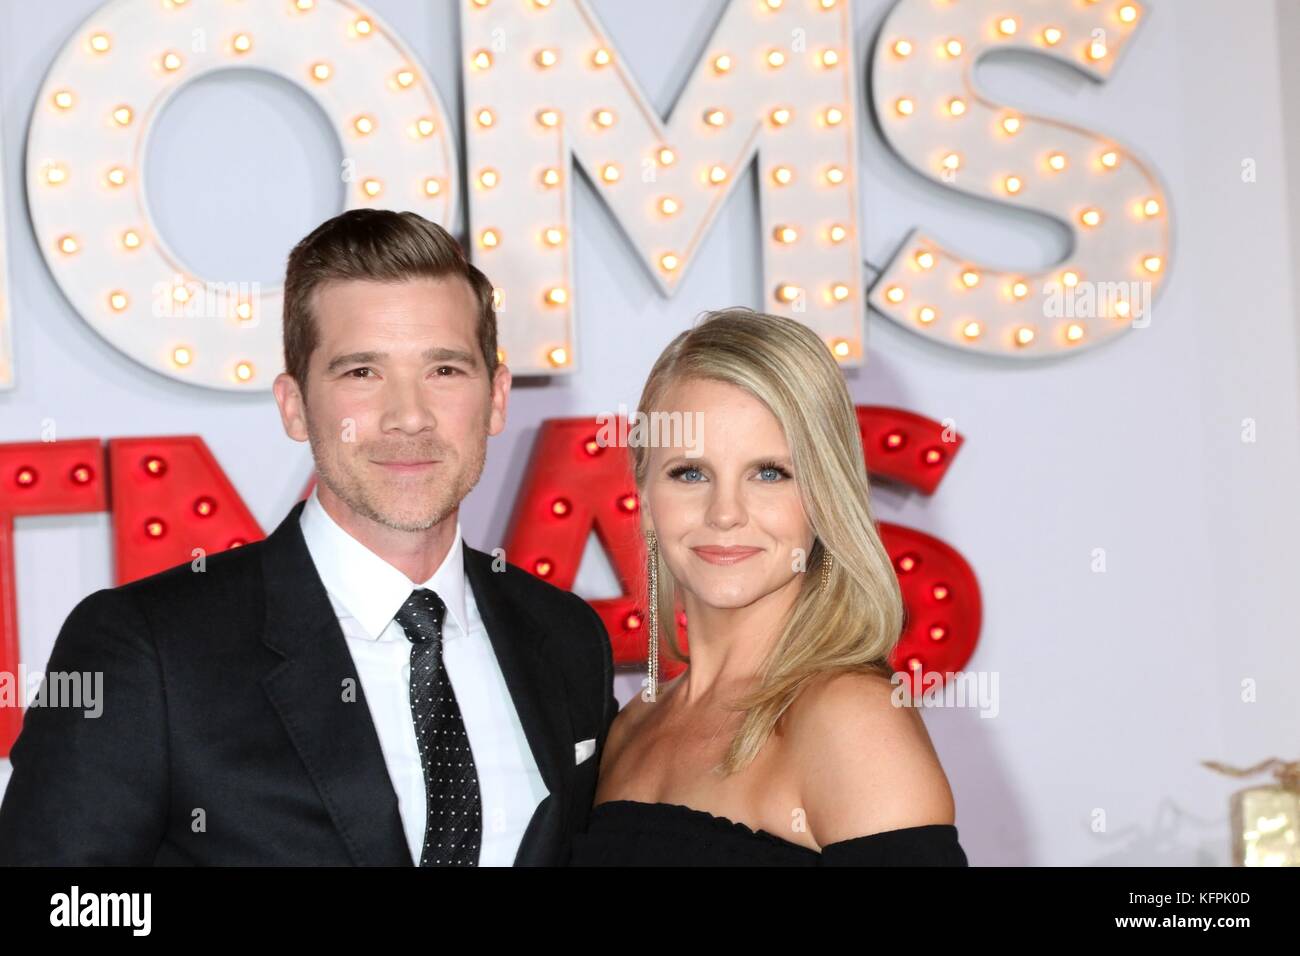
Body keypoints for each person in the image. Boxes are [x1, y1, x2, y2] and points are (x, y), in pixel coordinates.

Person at [0, 209, 616, 866]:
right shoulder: (147, 649)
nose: (408, 416)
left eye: (444, 370)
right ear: (294, 405)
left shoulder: (566, 638)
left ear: (496, 397)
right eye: (361, 373)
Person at [569, 308, 968, 866]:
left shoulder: (851, 720)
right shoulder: (633, 725)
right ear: (644, 491)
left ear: (826, 493)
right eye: (690, 473)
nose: (725, 513)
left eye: (769, 473)